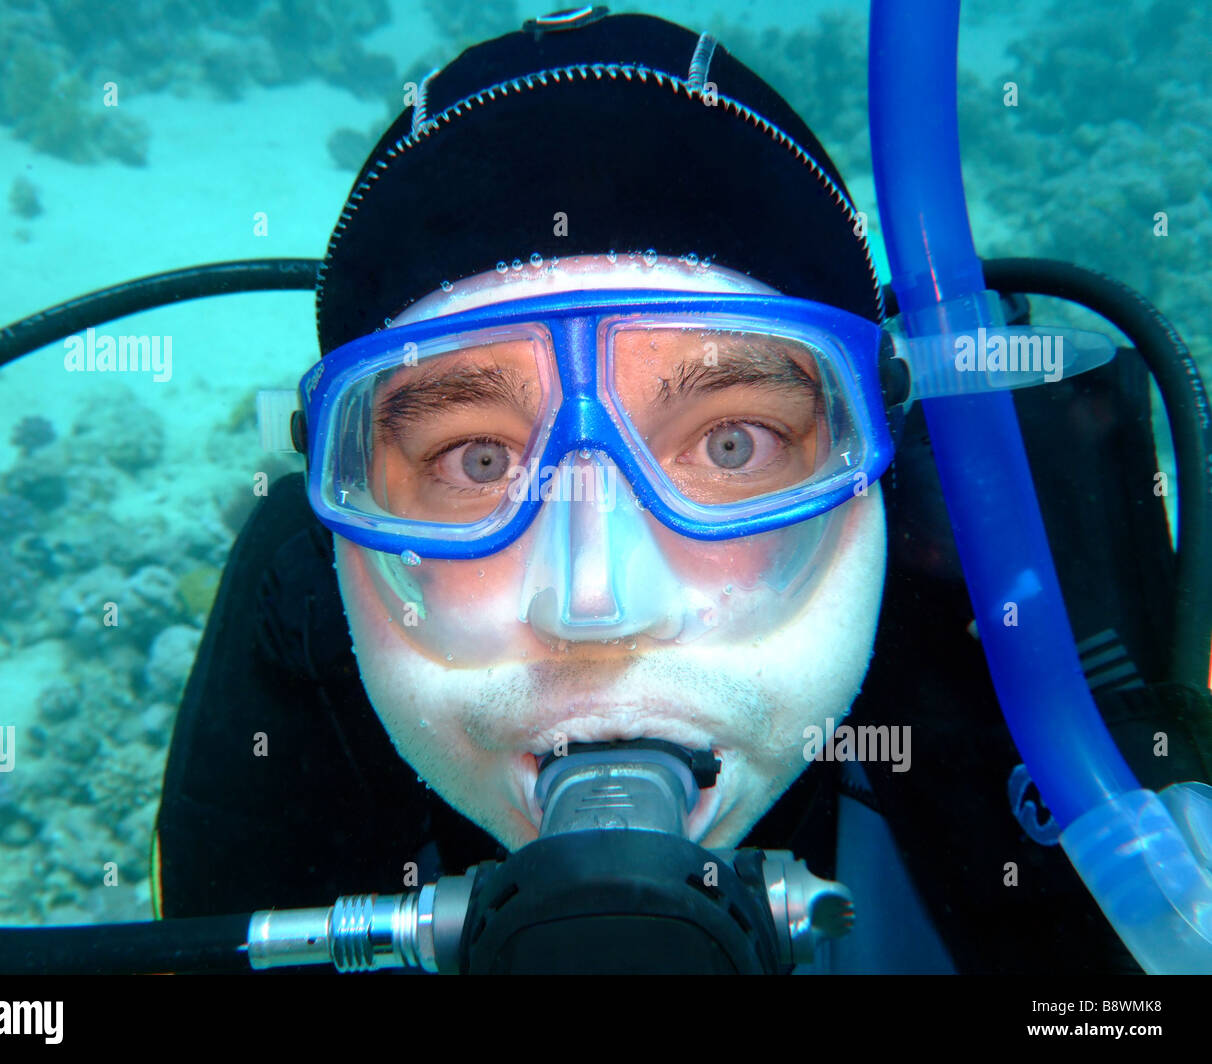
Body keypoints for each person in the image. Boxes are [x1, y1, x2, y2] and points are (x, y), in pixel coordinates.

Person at [152, 10, 1207, 974]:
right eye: (474, 460)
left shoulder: (1030, 649)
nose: (596, 602)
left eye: (732, 442)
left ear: (876, 460)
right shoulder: (301, 675)